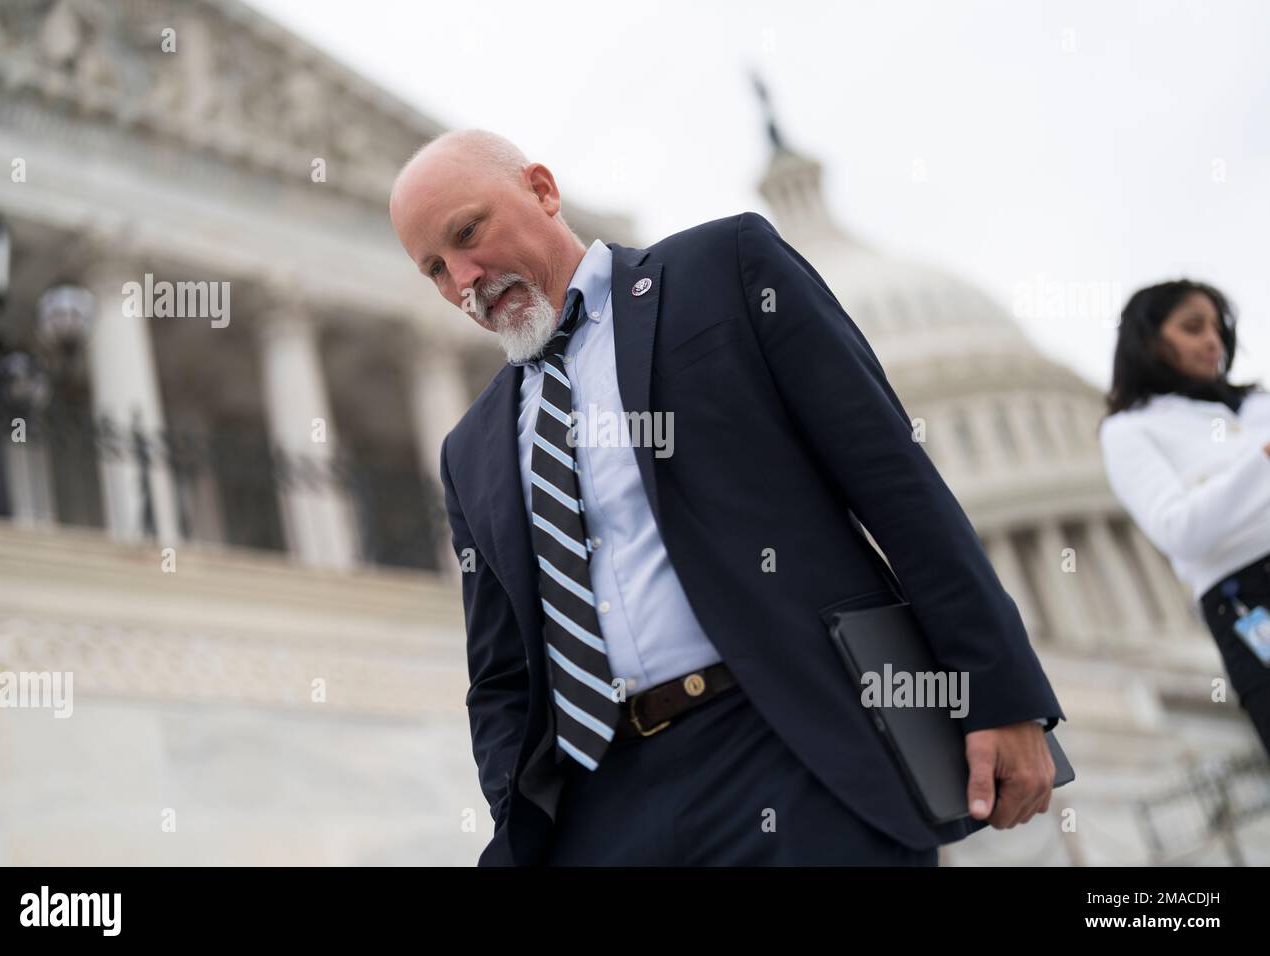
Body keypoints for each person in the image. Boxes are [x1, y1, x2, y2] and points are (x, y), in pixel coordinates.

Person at [388, 128, 1064, 866]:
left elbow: (896, 486)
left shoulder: (723, 271)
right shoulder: (470, 449)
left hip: (789, 752)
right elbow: (500, 675)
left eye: (468, 233)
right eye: (434, 269)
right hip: (603, 814)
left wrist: (998, 694)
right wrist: (516, 831)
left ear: (543, 191)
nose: (465, 279)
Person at [1098, 280, 1270, 757]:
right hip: (1250, 601)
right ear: (1150, 341)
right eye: (1193, 327)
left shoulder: (1258, 406)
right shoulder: (1131, 430)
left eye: (1218, 327)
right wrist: (1262, 460)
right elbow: (1180, 530)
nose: (1213, 340)